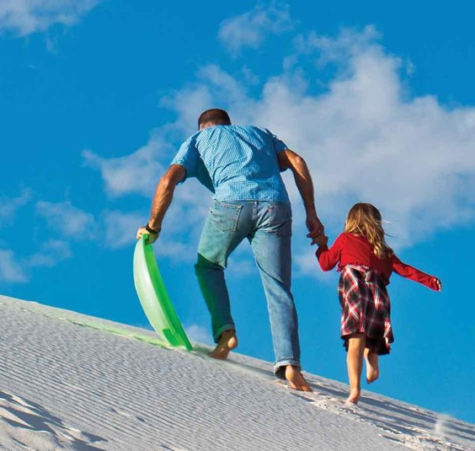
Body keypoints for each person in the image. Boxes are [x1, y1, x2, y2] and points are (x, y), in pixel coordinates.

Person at [136, 108, 324, 391]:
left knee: (208, 265)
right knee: (278, 287)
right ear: (229, 124)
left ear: (203, 127)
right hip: (276, 206)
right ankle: (291, 365)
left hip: (231, 203)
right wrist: (312, 213)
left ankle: (225, 331)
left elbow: (168, 180)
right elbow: (296, 160)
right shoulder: (260, 134)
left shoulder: (198, 140)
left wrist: (153, 226)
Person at [315, 203, 442, 404]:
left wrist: (321, 245)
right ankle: (372, 358)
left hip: (355, 291)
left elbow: (325, 264)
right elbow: (405, 269)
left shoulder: (345, 239)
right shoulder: (383, 251)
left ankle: (355, 389)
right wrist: (430, 280)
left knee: (355, 340)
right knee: (372, 336)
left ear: (351, 221)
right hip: (377, 294)